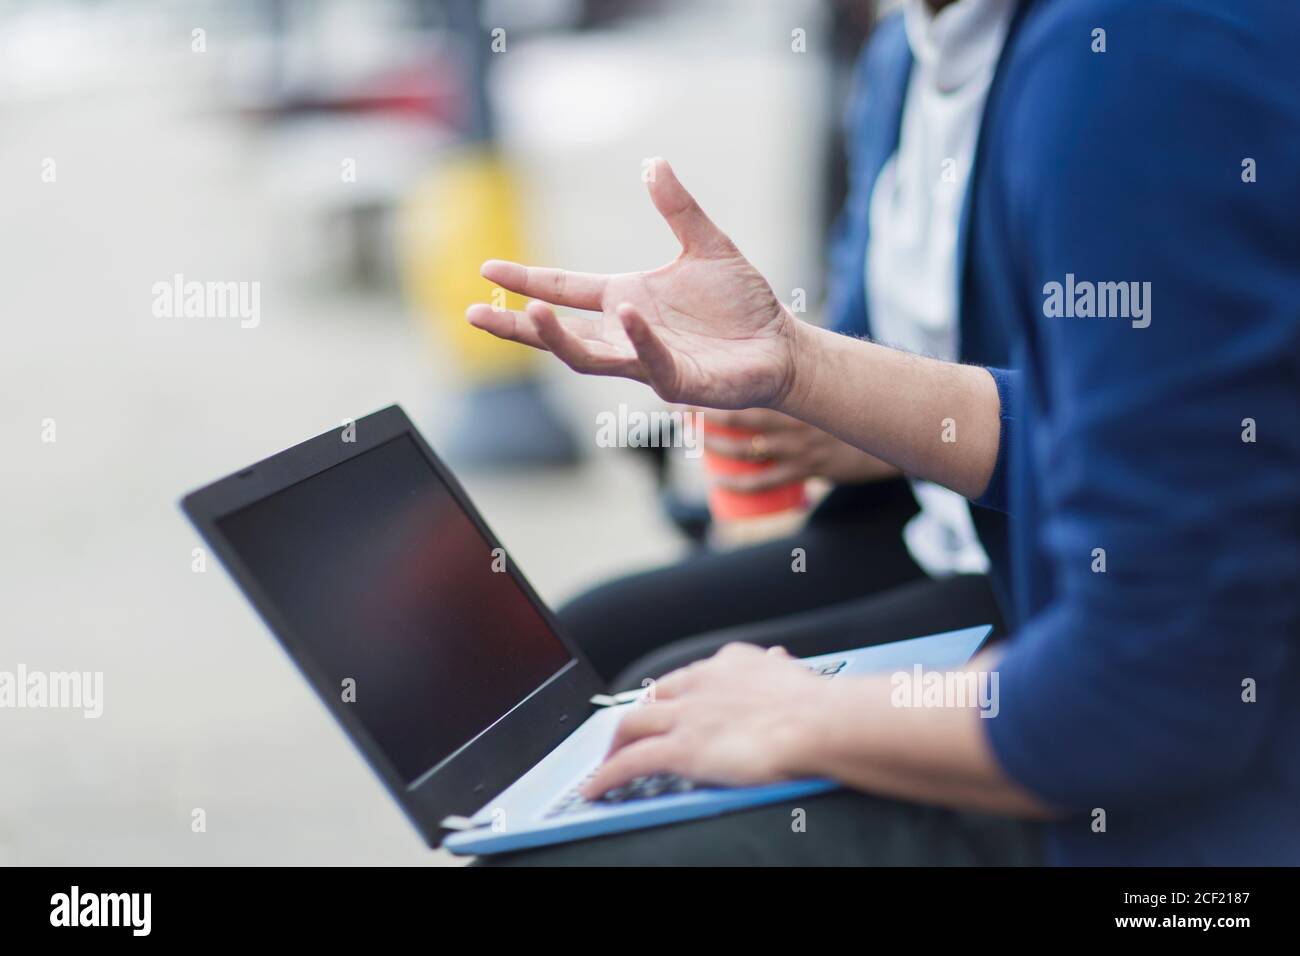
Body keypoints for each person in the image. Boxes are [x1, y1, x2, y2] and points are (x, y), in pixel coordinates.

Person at [465, 0, 1299, 865]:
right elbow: (1100, 435)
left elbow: (1153, 689)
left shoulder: (1123, 56)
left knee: (609, 784)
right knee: (595, 658)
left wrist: (799, 714)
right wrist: (795, 368)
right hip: (1061, 619)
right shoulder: (952, 52)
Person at [560, 0, 1016, 691]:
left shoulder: (1071, 57)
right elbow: (864, 333)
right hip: (922, 525)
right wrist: (803, 397)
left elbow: (1117, 426)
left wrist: (872, 415)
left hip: (1025, 561)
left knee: (661, 685)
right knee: (579, 637)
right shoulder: (898, 57)